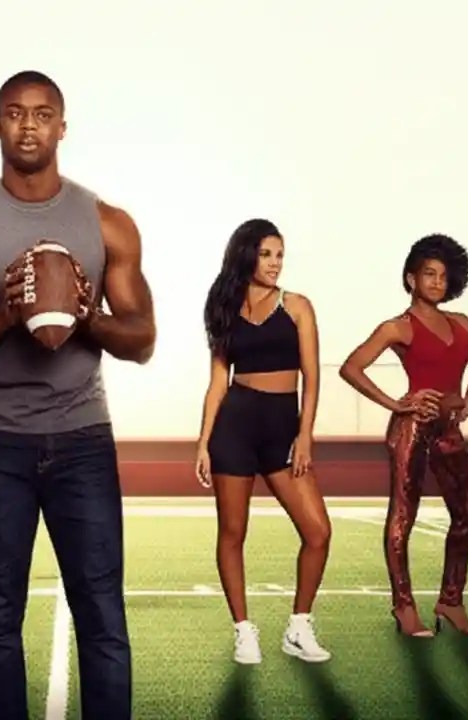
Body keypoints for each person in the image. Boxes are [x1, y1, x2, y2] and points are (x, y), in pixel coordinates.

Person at [0, 70, 155, 720]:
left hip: (82, 438)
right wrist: (3, 316)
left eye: (43, 114)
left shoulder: (107, 223)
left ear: (62, 126)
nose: (29, 125)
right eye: (15, 114)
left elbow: (141, 337)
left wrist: (86, 314)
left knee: (102, 611)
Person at [195, 219, 333, 665]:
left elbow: (312, 377)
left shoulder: (297, 307)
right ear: (247, 255)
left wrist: (305, 436)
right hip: (234, 426)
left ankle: (299, 626)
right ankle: (243, 630)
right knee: (233, 532)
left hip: (281, 429)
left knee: (317, 531)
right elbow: (219, 381)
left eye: (279, 254)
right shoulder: (224, 307)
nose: (275, 263)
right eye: (266, 254)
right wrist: (202, 442)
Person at [339, 234, 468, 638]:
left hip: (449, 430)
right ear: (411, 279)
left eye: (443, 275)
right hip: (412, 430)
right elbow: (351, 367)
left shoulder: (463, 324)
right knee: (404, 517)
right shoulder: (398, 328)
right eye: (429, 274)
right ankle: (404, 607)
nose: (438, 282)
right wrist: (396, 404)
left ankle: (451, 601)